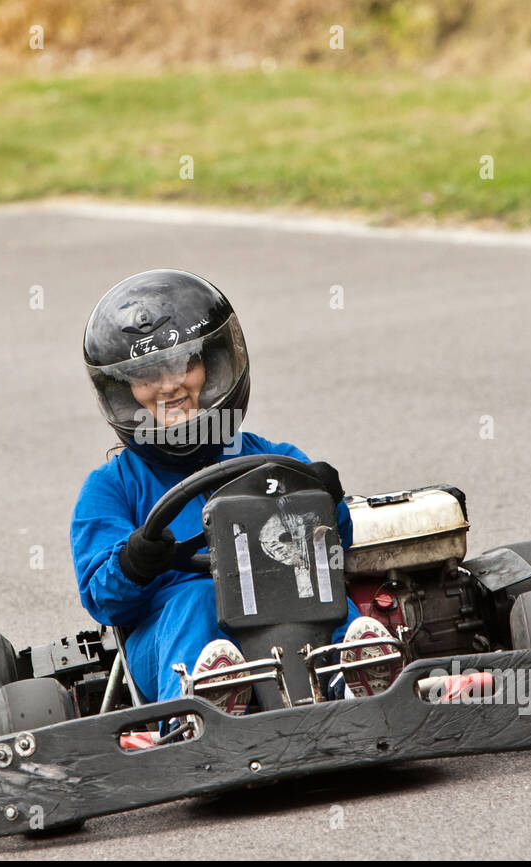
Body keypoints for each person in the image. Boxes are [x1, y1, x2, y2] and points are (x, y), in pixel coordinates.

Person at [69, 269, 401, 714]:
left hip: (285, 616)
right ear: (125, 389)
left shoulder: (276, 458)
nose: (169, 384)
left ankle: (353, 675)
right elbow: (101, 597)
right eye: (148, 375)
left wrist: (329, 499)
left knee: (319, 590)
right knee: (198, 597)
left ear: (214, 365)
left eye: (184, 362)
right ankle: (204, 704)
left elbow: (334, 546)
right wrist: (133, 563)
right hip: (170, 640)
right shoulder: (111, 487)